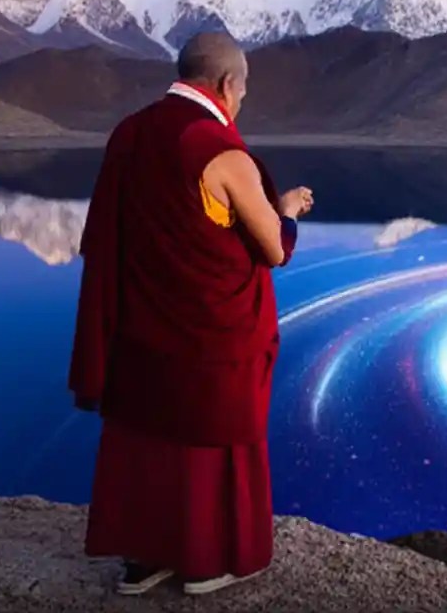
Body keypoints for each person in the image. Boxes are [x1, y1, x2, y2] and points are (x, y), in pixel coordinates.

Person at [68, 31, 313, 596]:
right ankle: (208, 562)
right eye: (244, 90)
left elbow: (136, 232)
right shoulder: (219, 150)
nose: (242, 102)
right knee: (211, 437)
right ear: (228, 85)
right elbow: (272, 247)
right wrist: (287, 211)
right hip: (209, 334)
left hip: (141, 328)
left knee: (147, 438)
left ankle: (143, 559)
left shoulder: (129, 134)